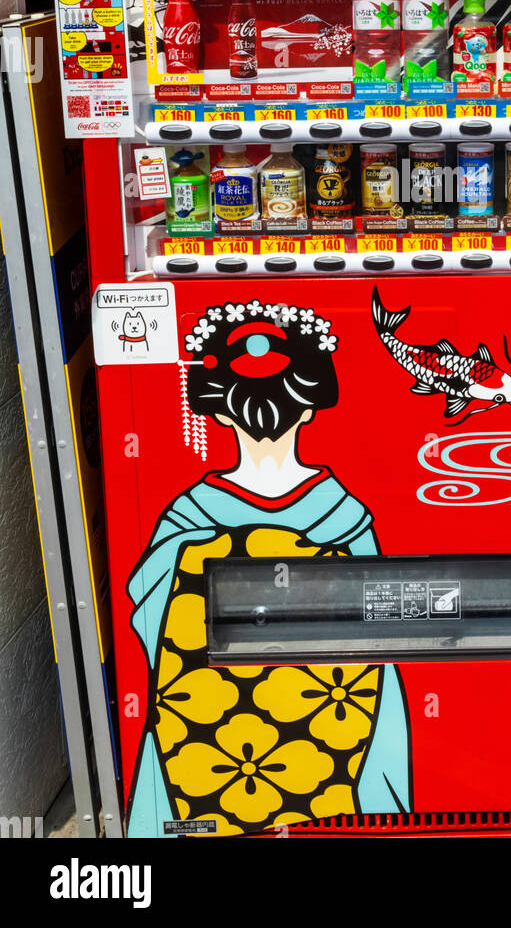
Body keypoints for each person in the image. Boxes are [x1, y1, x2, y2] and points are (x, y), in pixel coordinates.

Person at [126, 298, 412, 837]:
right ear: (311, 406)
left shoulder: (187, 517)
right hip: (332, 741)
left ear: (214, 408)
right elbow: (391, 628)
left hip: (203, 746)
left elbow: (146, 608)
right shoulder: (344, 516)